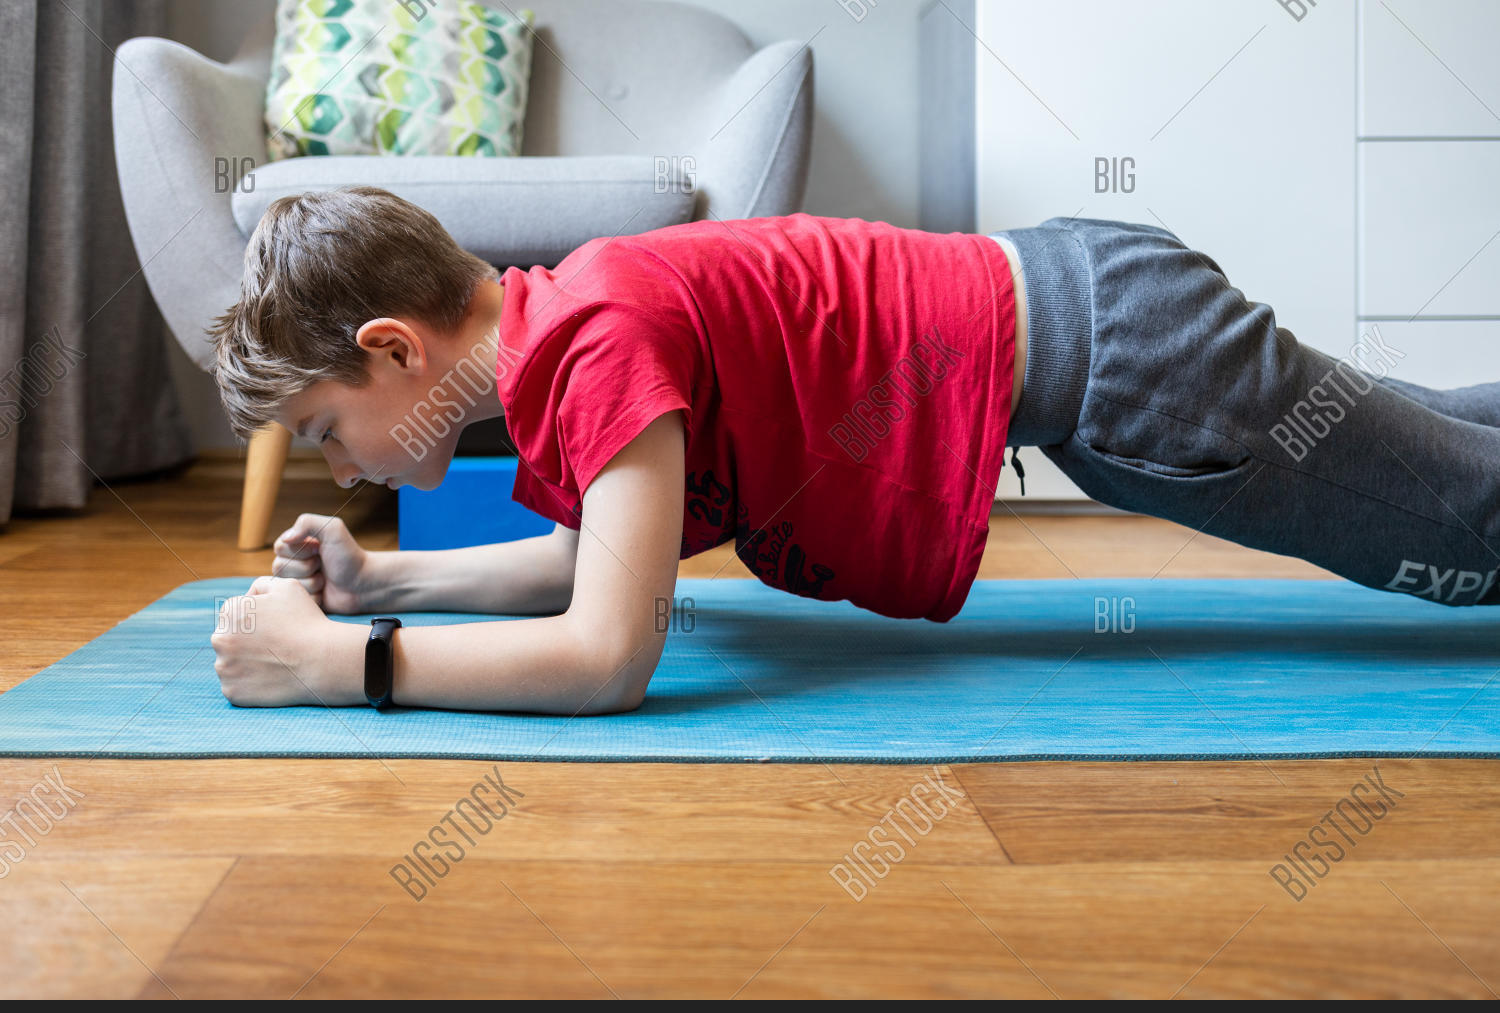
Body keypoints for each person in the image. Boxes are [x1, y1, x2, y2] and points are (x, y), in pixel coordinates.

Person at [207, 187, 1500, 712]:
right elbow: (582, 564)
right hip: (1106, 328)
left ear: (395, 349)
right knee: (1450, 443)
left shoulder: (595, 340)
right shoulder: (569, 328)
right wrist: (381, 583)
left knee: (1469, 520)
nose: (342, 469)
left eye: (325, 431)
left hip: (1134, 366)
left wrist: (335, 664)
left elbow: (608, 654)